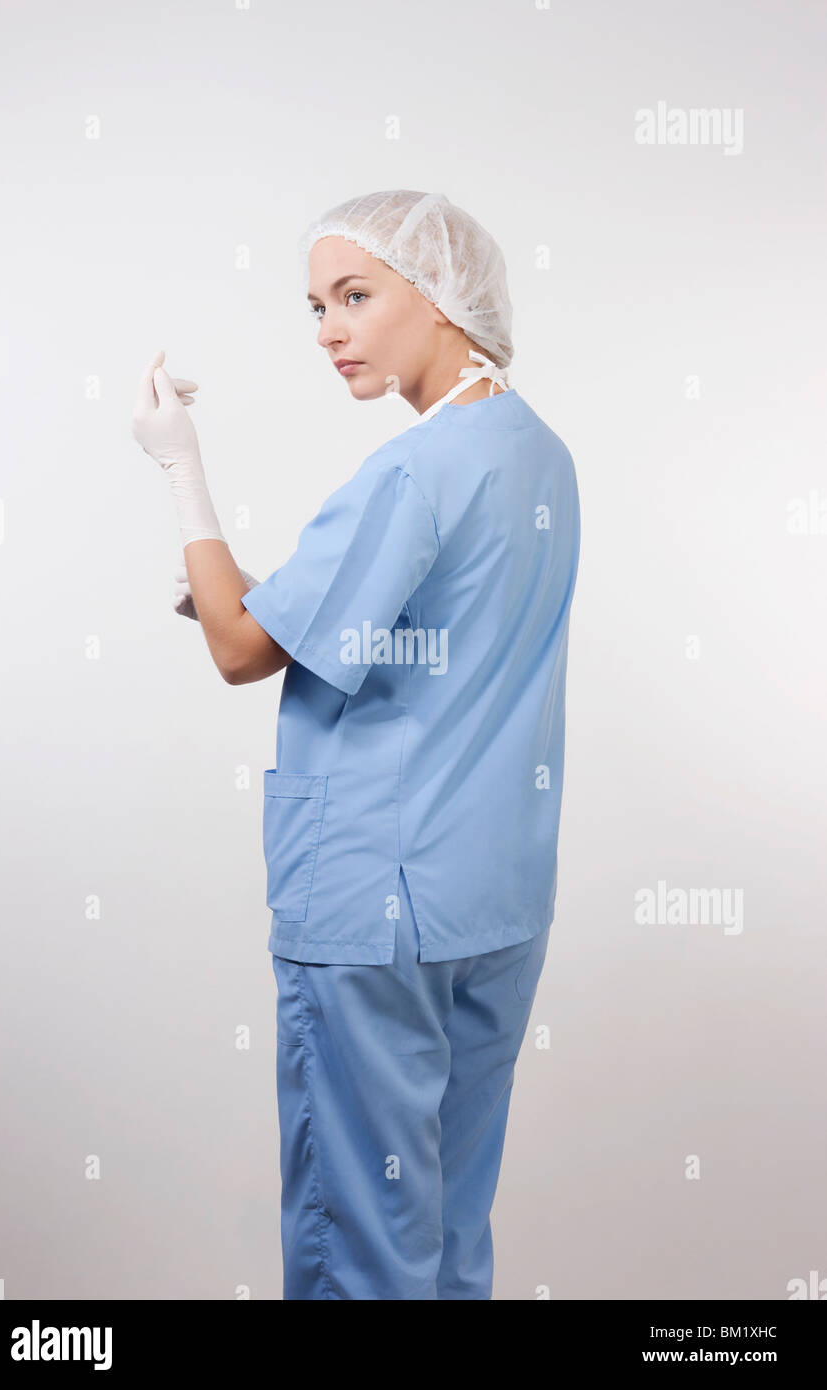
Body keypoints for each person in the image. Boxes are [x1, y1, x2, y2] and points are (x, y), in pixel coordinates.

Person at [131, 189, 580, 1300]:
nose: (327, 329)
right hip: (490, 904)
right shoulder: (538, 455)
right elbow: (412, 623)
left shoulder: (410, 469)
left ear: (441, 297)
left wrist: (179, 468)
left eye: (355, 295)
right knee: (443, 1225)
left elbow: (242, 651)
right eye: (315, 306)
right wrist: (247, 601)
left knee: (363, 1250)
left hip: (373, 911)